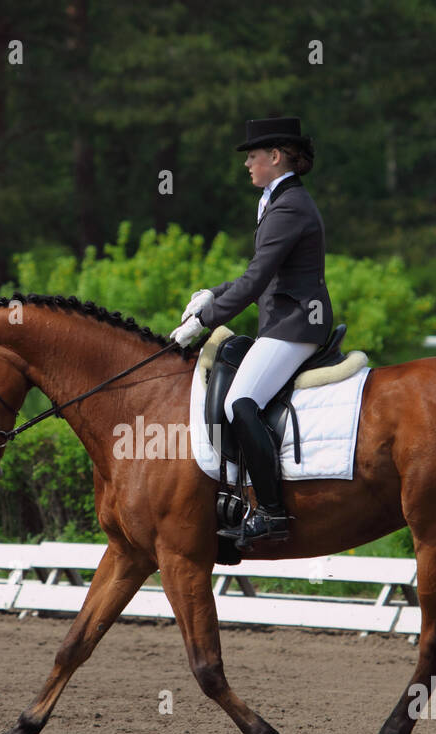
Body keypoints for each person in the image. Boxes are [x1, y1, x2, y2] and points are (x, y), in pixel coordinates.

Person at [172, 115, 334, 546]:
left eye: (253, 156)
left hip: (296, 324)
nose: (247, 164)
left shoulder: (290, 206)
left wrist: (204, 322)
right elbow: (257, 274)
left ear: (275, 156)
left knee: (240, 403)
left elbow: (258, 280)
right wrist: (212, 294)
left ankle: (272, 513)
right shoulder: (276, 200)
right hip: (285, 321)